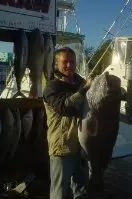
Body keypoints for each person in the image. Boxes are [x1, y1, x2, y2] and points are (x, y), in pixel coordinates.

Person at [43, 47, 91, 199]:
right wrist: (83, 91)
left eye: (72, 62)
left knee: (82, 188)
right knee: (59, 192)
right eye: (65, 62)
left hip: (81, 147)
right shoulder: (52, 87)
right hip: (62, 147)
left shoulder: (80, 82)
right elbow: (65, 107)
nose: (69, 65)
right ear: (56, 64)